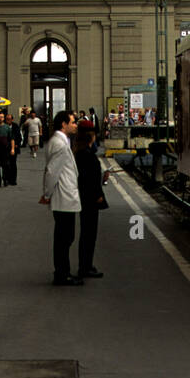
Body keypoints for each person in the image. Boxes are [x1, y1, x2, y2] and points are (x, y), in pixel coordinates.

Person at [40, 111, 82, 285]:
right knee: (65, 237)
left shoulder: (59, 141)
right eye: (72, 122)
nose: (75, 125)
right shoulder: (60, 144)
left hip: (64, 195)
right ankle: (62, 274)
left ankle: (62, 272)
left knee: (64, 237)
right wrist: (47, 194)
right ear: (63, 124)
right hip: (63, 196)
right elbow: (51, 172)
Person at [73, 123, 107, 279]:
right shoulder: (87, 155)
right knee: (89, 234)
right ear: (90, 137)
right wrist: (98, 193)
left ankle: (86, 265)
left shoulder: (79, 153)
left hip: (84, 197)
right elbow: (90, 179)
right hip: (90, 199)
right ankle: (85, 267)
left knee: (87, 234)